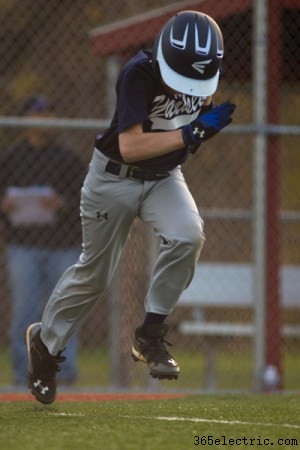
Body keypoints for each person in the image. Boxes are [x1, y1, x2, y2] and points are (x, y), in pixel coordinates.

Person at [25, 10, 236, 404]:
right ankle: (45, 344)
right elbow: (131, 146)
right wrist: (191, 132)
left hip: (163, 178)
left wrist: (195, 132)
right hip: (113, 179)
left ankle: (150, 334)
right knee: (96, 275)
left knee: (189, 235)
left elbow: (189, 121)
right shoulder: (137, 72)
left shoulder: (203, 77)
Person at [0, 94, 85, 386]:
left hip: (64, 245)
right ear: (24, 118)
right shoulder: (10, 159)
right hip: (23, 245)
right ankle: (24, 373)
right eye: (39, 112)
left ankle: (65, 372)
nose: (46, 117)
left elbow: (86, 201)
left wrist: (61, 203)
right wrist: (6, 205)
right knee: (25, 310)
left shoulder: (69, 160)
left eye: (50, 112)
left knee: (64, 310)